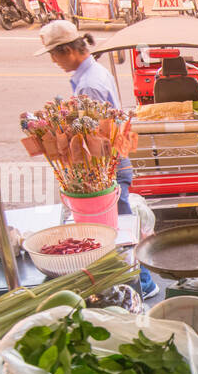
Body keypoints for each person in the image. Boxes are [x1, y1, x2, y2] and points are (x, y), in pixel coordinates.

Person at [35, 20, 155, 298]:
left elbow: (95, 139)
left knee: (119, 231)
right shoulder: (91, 74)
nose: (54, 61)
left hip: (106, 165)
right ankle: (139, 281)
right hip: (109, 164)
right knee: (119, 227)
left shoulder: (90, 86)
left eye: (54, 54)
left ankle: (144, 284)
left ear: (69, 50)